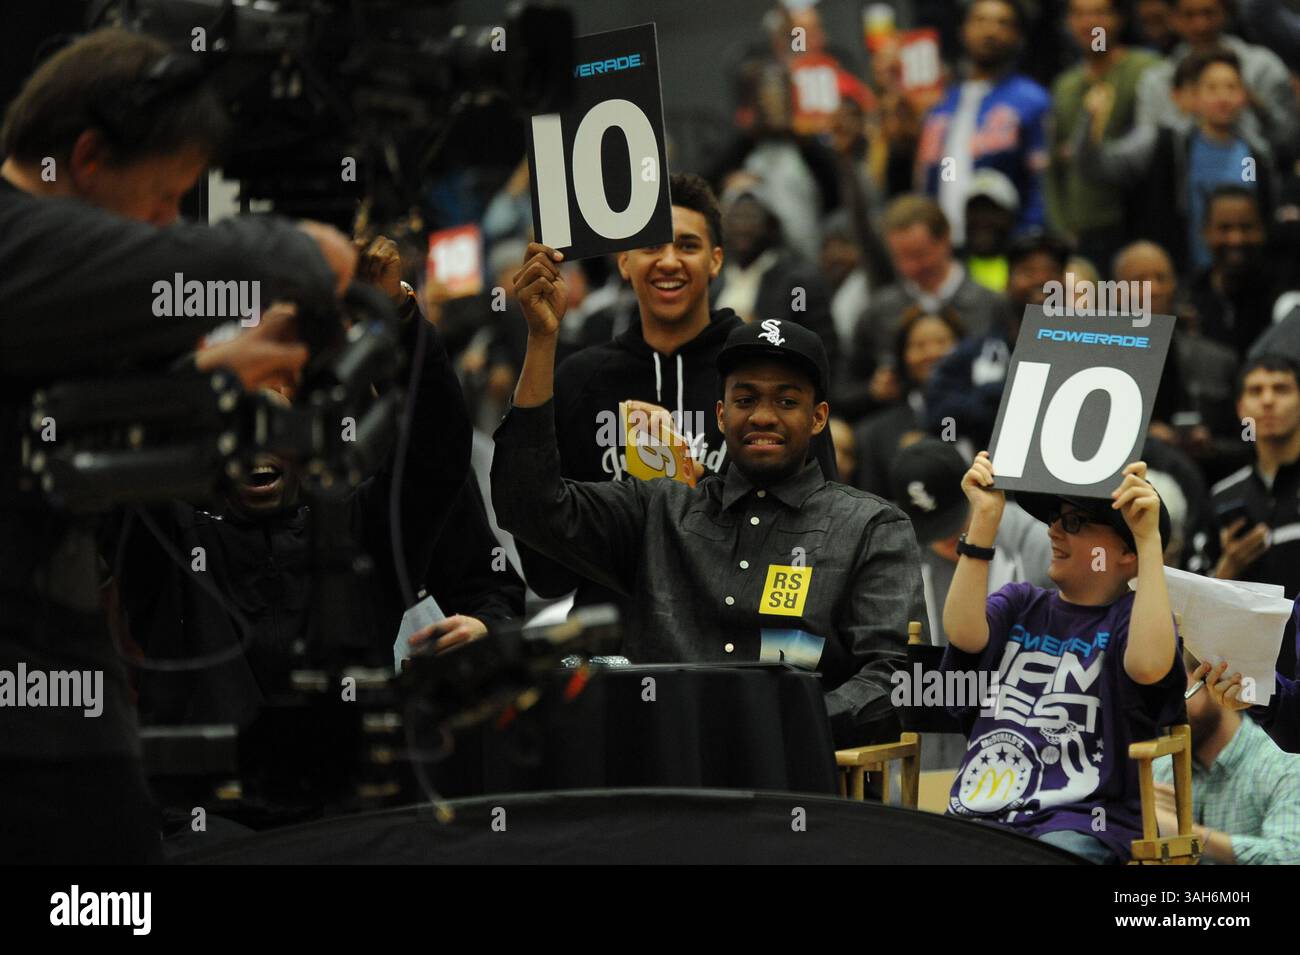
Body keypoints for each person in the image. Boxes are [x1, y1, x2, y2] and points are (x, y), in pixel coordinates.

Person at [0, 28, 357, 863]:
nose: (168, 223)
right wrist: (309, 252)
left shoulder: (43, 291)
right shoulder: (17, 238)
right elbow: (254, 266)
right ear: (87, 158)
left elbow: (56, 418)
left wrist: (211, 376)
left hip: (59, 708)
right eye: (164, 198)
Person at [493, 243, 928, 747]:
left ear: (818, 418)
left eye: (786, 400)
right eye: (745, 399)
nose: (763, 415)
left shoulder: (871, 528)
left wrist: (780, 729)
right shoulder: (657, 507)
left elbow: (897, 680)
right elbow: (528, 506)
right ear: (721, 417)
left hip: (796, 792)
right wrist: (543, 341)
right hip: (664, 785)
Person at [113, 239, 472, 732]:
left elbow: (439, 447)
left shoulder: (362, 529)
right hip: (210, 804)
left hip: (354, 802)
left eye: (276, 396)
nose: (260, 426)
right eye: (241, 404)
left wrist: (400, 316)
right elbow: (114, 440)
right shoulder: (168, 543)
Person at [515, 174, 838, 618]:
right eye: (652, 247)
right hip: (615, 653)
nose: (669, 261)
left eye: (687, 245)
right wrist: (540, 338)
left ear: (716, 260)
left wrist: (702, 490)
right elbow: (545, 568)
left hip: (737, 647)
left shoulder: (767, 373)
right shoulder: (579, 379)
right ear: (624, 261)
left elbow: (820, 535)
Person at [942, 451, 1183, 863]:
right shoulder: (1021, 603)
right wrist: (982, 521)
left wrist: (1149, 542)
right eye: (1055, 519)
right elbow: (963, 634)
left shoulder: (1130, 619)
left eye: (1074, 523)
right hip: (976, 819)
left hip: (1080, 824)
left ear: (1125, 554)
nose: (1053, 532)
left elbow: (1148, 666)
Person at [1077, 49, 1275, 278]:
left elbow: (1261, 212)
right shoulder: (1163, 143)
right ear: (1193, 96)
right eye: (1212, 88)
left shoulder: (1254, 154)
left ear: (1244, 95)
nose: (1223, 97)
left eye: (1232, 88)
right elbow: (1095, 169)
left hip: (1241, 276)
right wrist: (1090, 120)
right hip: (1176, 276)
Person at [841, 195, 1005, 420]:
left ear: (946, 239)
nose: (912, 266)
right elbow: (844, 387)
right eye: (901, 258)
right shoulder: (878, 312)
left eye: (920, 255)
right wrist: (872, 392)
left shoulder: (991, 305)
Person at [915, 0, 1051, 242]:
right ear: (963, 30)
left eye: (1002, 23)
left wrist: (1033, 237)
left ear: (1018, 36)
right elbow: (940, 171)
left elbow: (1042, 183)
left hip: (1010, 241)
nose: (990, 31)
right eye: (980, 21)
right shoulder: (942, 103)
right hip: (945, 244)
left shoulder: (1031, 99)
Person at [1046, 0, 1162, 274]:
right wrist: (1062, 227)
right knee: (1087, 314)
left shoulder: (1145, 69)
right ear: (1068, 22)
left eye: (1099, 13)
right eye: (1080, 14)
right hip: (1080, 228)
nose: (1090, 23)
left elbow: (1153, 145)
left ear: (1118, 19)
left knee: (1138, 314)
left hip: (1134, 222)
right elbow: (1053, 165)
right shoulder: (1065, 85)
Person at [1152, 653, 1300, 864]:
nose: (1166, 711)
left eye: (1176, 691)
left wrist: (1187, 835)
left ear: (1214, 679)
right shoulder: (1161, 770)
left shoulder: (1283, 763)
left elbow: (1290, 856)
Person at [1135, 0, 1297, 158]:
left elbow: (1289, 142)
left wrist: (1258, 107)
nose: (1201, 25)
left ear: (1225, 13)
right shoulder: (1157, 80)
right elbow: (1145, 148)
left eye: (1209, 12)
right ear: (1173, 18)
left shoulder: (1263, 66)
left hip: (1253, 172)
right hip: (1180, 178)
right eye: (1188, 15)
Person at [1209, 356, 1300, 637]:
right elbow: (1195, 603)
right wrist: (1229, 566)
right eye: (1255, 391)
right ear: (1240, 409)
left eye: (1281, 389)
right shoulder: (1222, 495)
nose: (1268, 400)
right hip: (1244, 667)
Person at [852, 306, 963, 496]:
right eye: (919, 345)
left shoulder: (995, 414)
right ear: (902, 358)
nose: (932, 353)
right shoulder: (875, 434)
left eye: (943, 342)